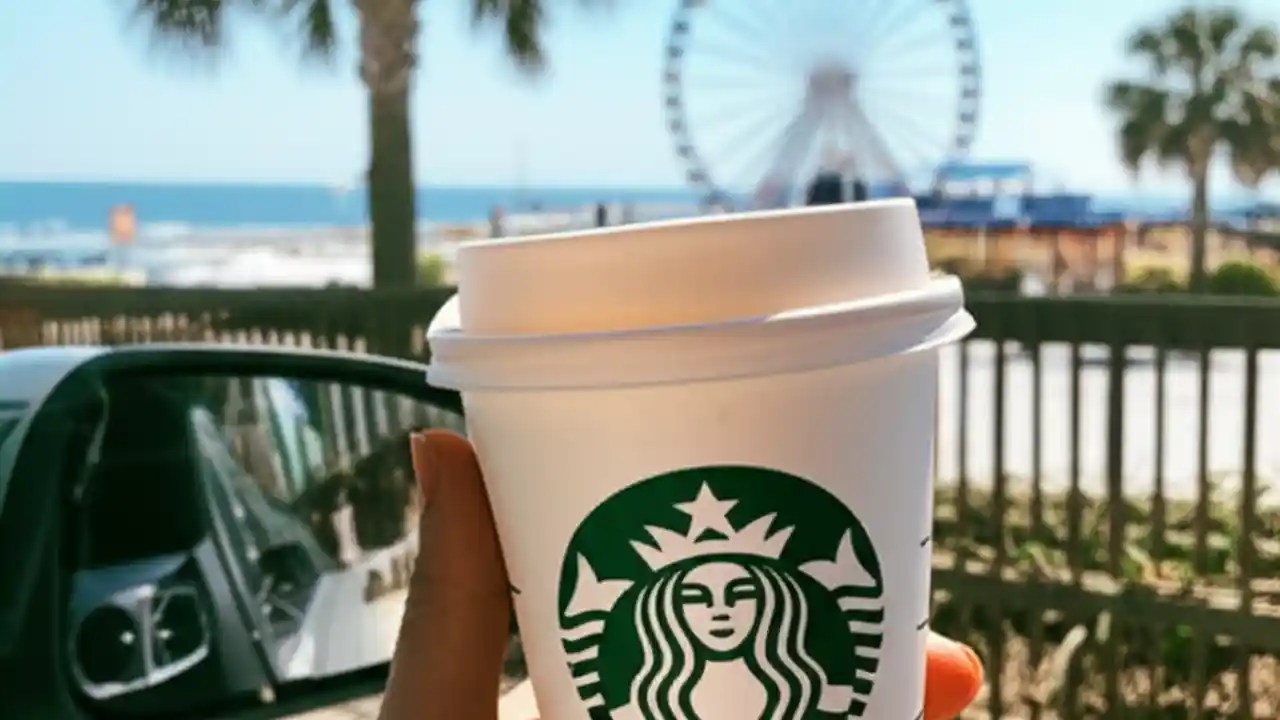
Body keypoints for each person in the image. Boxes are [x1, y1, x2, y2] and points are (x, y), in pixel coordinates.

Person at [376, 431, 984, 720]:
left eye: (741, 592)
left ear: (775, 602)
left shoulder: (825, 693)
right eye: (695, 595)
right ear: (665, 609)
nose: (719, 611)